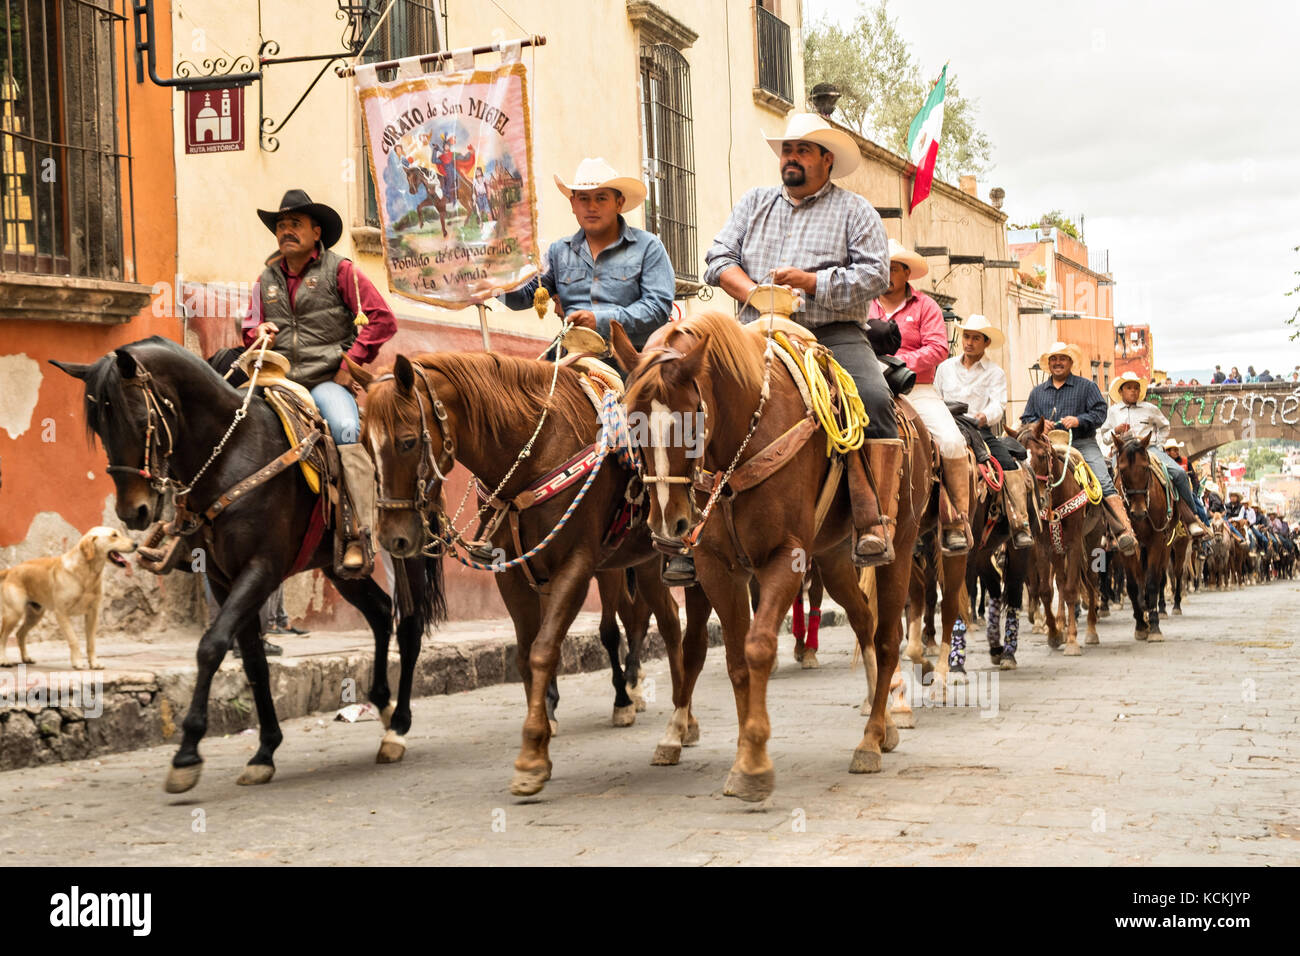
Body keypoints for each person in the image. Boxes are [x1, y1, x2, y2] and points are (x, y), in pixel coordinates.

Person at [704, 112, 901, 568]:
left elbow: (875, 274)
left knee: (872, 396)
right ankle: (692, 521)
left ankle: (873, 521)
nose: (790, 159)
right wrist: (751, 290)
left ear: (827, 160)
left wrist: (812, 283)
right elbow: (719, 256)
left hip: (830, 334)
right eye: (787, 151)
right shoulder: (754, 202)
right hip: (756, 331)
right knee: (693, 390)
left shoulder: (856, 211)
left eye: (802, 151)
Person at [242, 188, 397, 575]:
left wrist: (349, 365)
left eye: (295, 224)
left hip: (325, 381)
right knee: (232, 420)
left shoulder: (341, 271)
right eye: (281, 225)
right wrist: (257, 332)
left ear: (316, 232)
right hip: (277, 380)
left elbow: (382, 320)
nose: (286, 231)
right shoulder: (266, 278)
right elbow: (248, 328)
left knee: (346, 429)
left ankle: (358, 533)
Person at [501, 157, 674, 352]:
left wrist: (600, 321)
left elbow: (657, 308)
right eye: (583, 198)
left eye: (601, 198)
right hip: (573, 357)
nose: (592, 207)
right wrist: (491, 279)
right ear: (573, 204)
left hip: (632, 360)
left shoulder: (648, 247)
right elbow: (522, 298)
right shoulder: (558, 252)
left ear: (619, 203)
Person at [867, 240, 971, 552]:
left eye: (894, 268)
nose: (887, 273)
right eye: (881, 267)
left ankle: (955, 519)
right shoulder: (863, 304)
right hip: (870, 384)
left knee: (952, 442)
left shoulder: (925, 306)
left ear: (906, 273)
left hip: (917, 388)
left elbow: (938, 347)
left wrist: (899, 364)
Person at [1020, 341, 1138, 554]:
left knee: (1102, 479)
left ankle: (1122, 530)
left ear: (1070, 362)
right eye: (1053, 359)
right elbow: (1026, 418)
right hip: (1047, 445)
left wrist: (1079, 420)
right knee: (1021, 477)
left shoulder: (1087, 386)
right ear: (1048, 364)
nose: (1057, 363)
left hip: (1081, 443)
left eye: (1062, 359)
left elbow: (1100, 412)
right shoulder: (1037, 393)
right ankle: (1019, 528)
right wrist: (1038, 423)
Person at [933, 314, 1032, 549]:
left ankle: (1020, 522)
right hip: (948, 426)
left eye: (975, 338)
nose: (969, 342)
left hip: (979, 430)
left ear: (986, 342)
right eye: (966, 336)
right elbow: (936, 397)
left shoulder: (995, 372)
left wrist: (984, 416)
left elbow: (998, 404)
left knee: (1008, 464)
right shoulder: (945, 368)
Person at [1099, 372, 1208, 535]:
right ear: (1121, 391)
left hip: (1148, 450)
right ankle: (1107, 526)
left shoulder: (1150, 409)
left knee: (1179, 474)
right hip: (1122, 452)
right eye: (1129, 388)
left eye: (1136, 388)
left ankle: (1191, 517)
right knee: (1106, 482)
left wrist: (1156, 442)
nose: (1133, 391)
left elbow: (1165, 427)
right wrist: (1116, 430)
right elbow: (1105, 437)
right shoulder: (1113, 412)